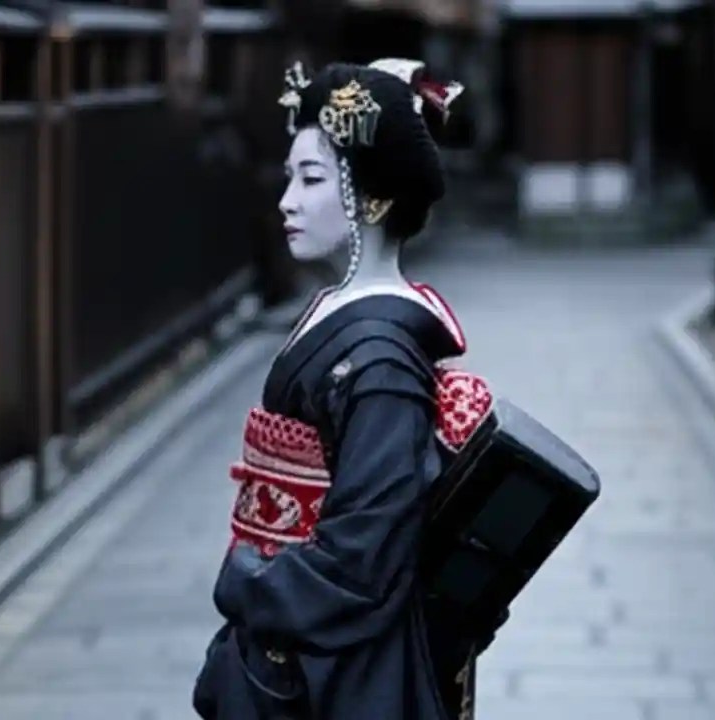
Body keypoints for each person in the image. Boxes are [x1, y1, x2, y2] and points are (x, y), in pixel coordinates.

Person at [191, 58, 500, 720]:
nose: (287, 201)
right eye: (288, 179)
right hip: (300, 651)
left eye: (310, 179)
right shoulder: (351, 326)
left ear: (373, 198)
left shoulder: (380, 364)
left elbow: (362, 561)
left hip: (336, 673)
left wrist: (253, 587)